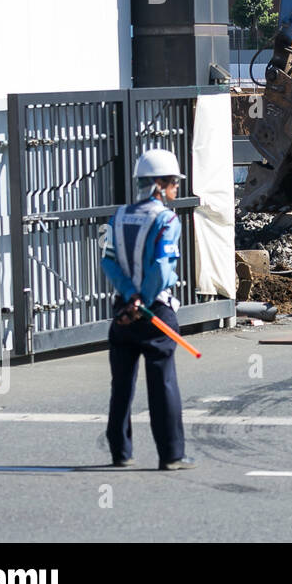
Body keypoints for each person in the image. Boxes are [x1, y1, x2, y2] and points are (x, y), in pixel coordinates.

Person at [100, 149, 195, 470]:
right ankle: (171, 454)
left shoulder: (119, 216)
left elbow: (108, 261)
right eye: (172, 182)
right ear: (158, 184)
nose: (176, 188)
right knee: (163, 382)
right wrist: (143, 297)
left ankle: (119, 451)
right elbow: (163, 268)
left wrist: (129, 297)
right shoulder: (167, 219)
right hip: (155, 311)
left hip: (123, 312)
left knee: (121, 384)